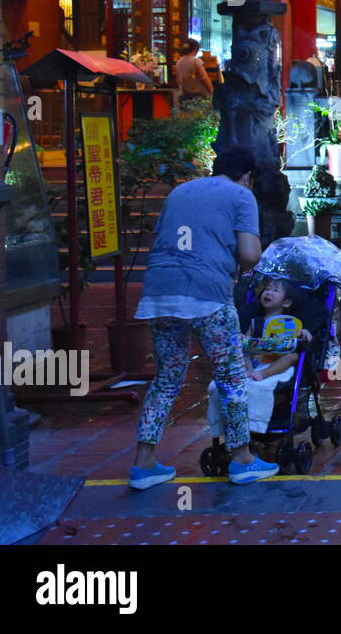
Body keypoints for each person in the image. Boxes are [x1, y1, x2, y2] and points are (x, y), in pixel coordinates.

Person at [129, 148, 281, 488]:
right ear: (247, 175)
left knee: (166, 379)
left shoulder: (180, 191)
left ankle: (143, 464)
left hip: (158, 292)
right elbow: (250, 254)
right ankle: (242, 460)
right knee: (230, 378)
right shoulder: (241, 195)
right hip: (207, 295)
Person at [206, 278, 312, 439]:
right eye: (267, 289)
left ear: (287, 302)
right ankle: (250, 372)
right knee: (242, 352)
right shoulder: (256, 322)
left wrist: (304, 333)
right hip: (257, 362)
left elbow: (302, 339)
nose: (268, 292)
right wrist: (243, 340)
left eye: (276, 291)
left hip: (278, 364)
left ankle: (264, 375)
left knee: (293, 356)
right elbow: (246, 345)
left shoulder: (291, 324)